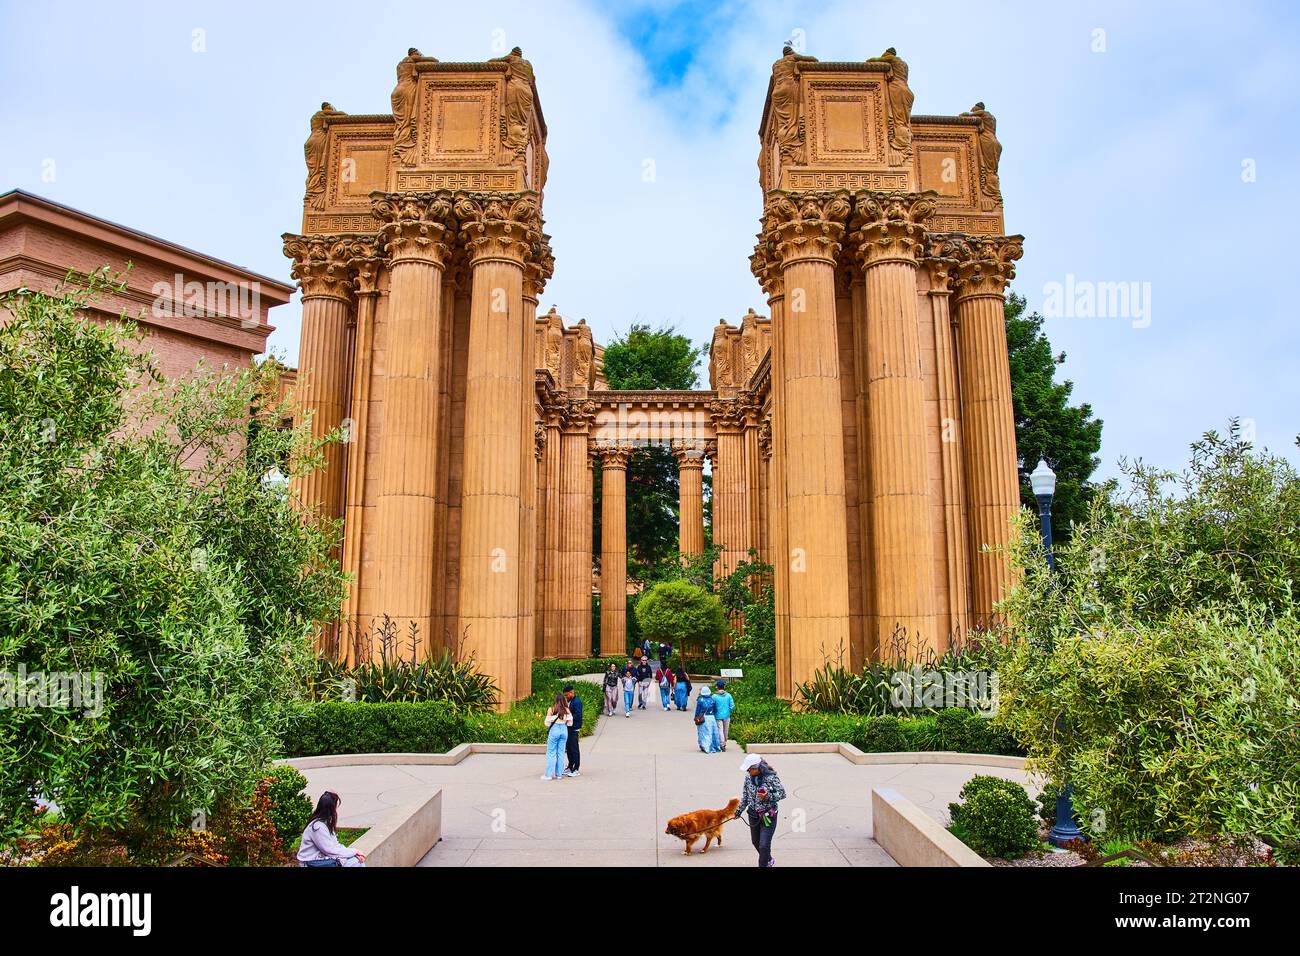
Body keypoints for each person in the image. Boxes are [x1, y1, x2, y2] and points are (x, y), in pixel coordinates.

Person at [734, 755, 787, 868]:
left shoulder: (771, 778)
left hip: (768, 816)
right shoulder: (748, 777)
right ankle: (768, 859)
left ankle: (764, 864)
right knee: (756, 842)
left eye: (750, 769)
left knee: (763, 845)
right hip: (753, 815)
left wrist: (767, 796)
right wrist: (738, 811)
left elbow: (783, 794)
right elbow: (746, 796)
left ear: (758, 768)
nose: (748, 771)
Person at [297, 791, 365, 867]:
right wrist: (354, 852)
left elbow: (335, 845)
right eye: (335, 806)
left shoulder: (325, 822)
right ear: (331, 809)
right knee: (356, 863)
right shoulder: (317, 827)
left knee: (357, 861)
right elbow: (330, 850)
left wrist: (353, 853)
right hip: (312, 863)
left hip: (323, 859)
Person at [542, 693, 572, 780]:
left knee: (551, 753)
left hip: (554, 731)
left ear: (555, 700)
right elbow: (570, 723)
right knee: (561, 753)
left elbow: (547, 723)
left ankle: (549, 775)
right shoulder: (567, 709)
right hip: (564, 731)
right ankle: (559, 774)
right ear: (564, 700)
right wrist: (564, 722)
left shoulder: (551, 709)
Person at [562, 684, 583, 777]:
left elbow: (578, 715)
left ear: (572, 693)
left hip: (574, 728)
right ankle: (570, 766)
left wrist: (567, 718)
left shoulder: (577, 702)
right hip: (568, 727)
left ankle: (576, 768)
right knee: (569, 748)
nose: (566, 697)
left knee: (574, 749)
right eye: (565, 695)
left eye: (567, 695)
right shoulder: (569, 701)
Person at [694, 685, 721, 753]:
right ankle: (715, 746)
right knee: (713, 732)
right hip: (711, 717)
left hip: (704, 717)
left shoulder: (700, 700)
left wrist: (696, 717)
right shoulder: (712, 700)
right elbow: (715, 710)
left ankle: (706, 747)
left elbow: (698, 710)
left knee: (704, 732)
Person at [712, 680, 736, 752]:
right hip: (727, 715)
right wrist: (728, 709)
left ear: (717, 687)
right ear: (724, 687)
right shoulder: (728, 695)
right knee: (726, 730)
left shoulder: (714, 696)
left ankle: (722, 744)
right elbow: (732, 706)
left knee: (720, 730)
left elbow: (712, 705)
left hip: (717, 716)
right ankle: (724, 742)